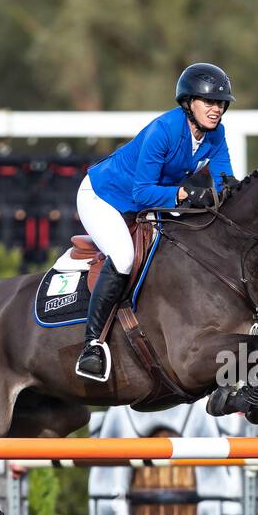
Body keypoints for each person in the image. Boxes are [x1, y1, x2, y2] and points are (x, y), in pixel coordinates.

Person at [74, 63, 237, 381]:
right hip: (104, 197)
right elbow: (142, 192)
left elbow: (225, 182)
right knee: (123, 257)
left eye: (221, 103)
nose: (216, 109)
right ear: (189, 103)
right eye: (209, 102)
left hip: (144, 203)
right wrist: (182, 193)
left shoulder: (216, 135)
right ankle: (91, 346)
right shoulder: (163, 130)